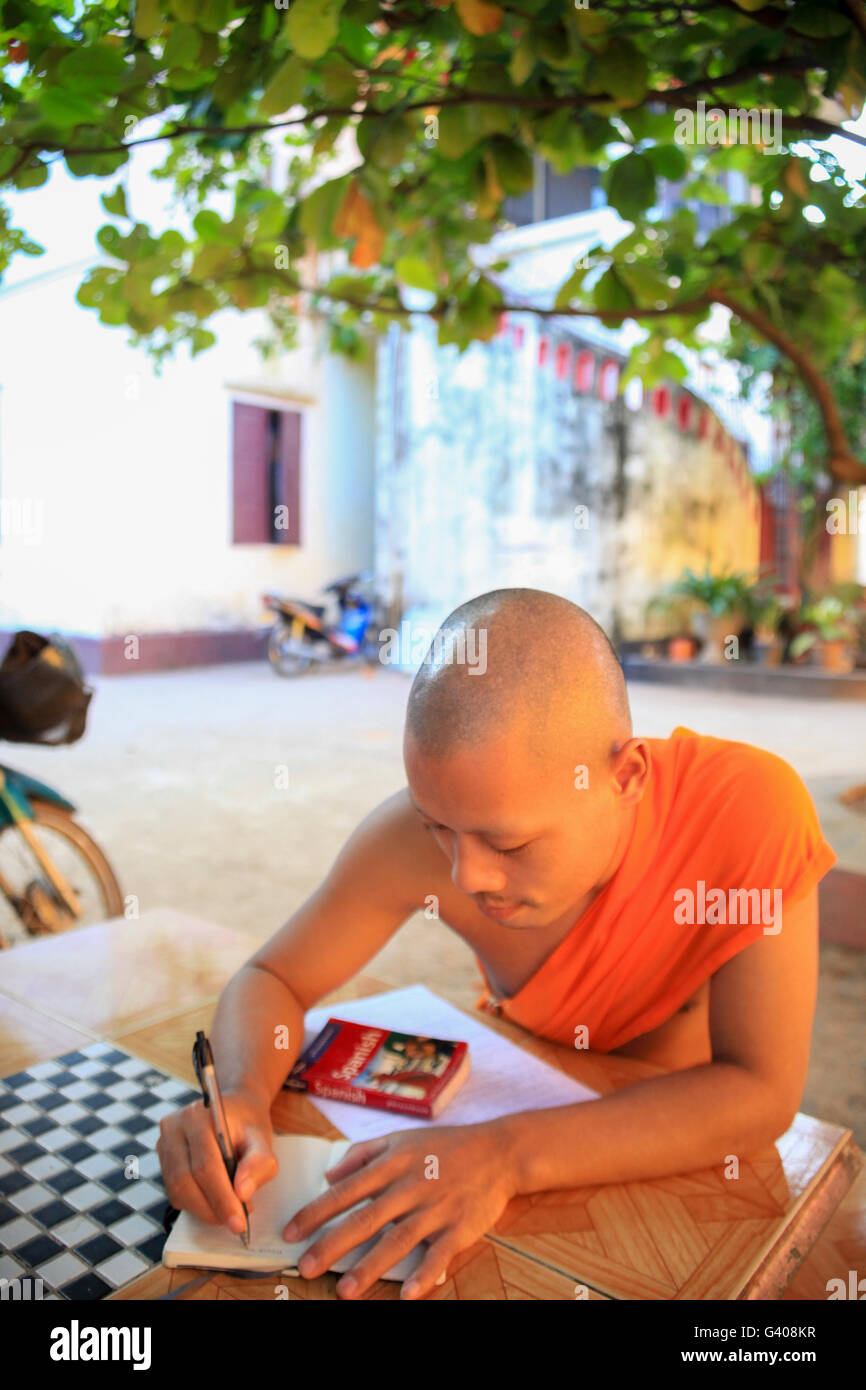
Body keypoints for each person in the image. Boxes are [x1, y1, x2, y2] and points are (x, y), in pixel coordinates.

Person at [157, 588, 836, 1300]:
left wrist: (506, 1155)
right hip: (504, 1124)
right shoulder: (418, 839)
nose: (465, 874)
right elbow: (273, 977)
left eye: (507, 842)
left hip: (678, 1171)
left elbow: (759, 1094)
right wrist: (239, 1096)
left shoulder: (747, 813)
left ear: (626, 776)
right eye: (437, 828)